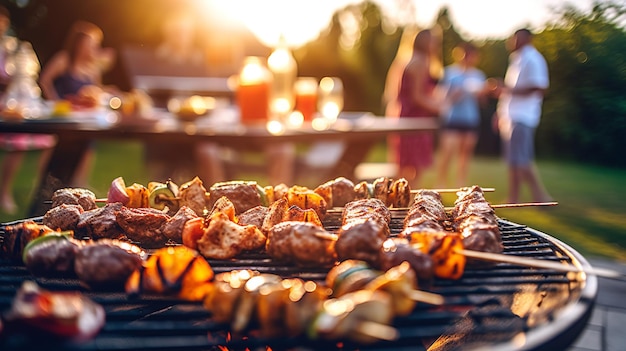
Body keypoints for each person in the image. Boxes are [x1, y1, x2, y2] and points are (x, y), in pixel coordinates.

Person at [38, 20, 116, 188]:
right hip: (65, 121)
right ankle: (48, 187)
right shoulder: (64, 60)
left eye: (96, 44)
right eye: (91, 43)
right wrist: (55, 102)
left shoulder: (92, 69)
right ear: (79, 43)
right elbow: (44, 80)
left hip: (85, 121)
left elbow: (96, 92)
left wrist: (107, 92)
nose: (94, 48)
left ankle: (78, 184)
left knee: (86, 148)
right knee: (58, 158)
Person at [0, 5, 56, 214]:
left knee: (48, 138)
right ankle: (4, 191)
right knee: (16, 142)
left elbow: (24, 73)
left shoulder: (11, 46)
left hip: (13, 102)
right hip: (5, 103)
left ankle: (40, 188)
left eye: (3, 23)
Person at [492, 28, 553, 203]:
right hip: (512, 117)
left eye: (516, 38)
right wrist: (500, 114)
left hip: (523, 116)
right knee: (517, 159)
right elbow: (511, 92)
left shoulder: (533, 58)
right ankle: (535, 197)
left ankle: (523, 198)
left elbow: (540, 87)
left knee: (520, 159)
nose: (512, 41)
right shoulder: (517, 59)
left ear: (527, 39)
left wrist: (506, 89)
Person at [388, 27, 445, 188]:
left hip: (404, 117)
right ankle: (408, 205)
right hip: (415, 121)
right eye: (434, 41)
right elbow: (417, 97)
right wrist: (439, 108)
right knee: (413, 169)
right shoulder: (421, 62)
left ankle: (400, 204)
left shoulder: (408, 60)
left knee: (403, 167)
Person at [435, 42, 489, 188]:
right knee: (447, 153)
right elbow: (440, 97)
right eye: (465, 54)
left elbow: (483, 102)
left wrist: (483, 93)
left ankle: (461, 184)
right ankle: (441, 184)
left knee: (465, 156)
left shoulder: (479, 76)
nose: (467, 58)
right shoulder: (449, 73)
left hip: (470, 120)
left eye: (471, 55)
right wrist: (454, 94)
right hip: (452, 118)